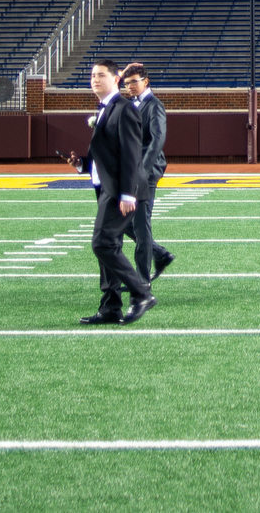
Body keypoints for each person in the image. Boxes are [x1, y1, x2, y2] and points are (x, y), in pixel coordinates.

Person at [58, 62, 155, 325]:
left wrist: (128, 194)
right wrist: (83, 165)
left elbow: (132, 155)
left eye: (101, 75)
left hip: (121, 191)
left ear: (116, 79)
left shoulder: (123, 109)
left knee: (102, 244)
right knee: (109, 246)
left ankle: (141, 293)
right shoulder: (105, 108)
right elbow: (107, 153)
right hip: (107, 188)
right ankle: (111, 307)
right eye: (91, 75)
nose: (95, 80)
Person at [120, 64, 175, 282]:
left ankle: (142, 282)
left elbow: (157, 140)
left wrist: (142, 171)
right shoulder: (130, 104)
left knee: (141, 227)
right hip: (131, 170)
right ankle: (160, 254)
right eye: (126, 83)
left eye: (134, 81)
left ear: (146, 81)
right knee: (125, 223)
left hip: (146, 171)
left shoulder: (154, 105)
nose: (130, 86)